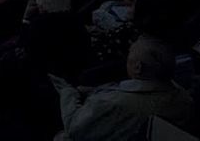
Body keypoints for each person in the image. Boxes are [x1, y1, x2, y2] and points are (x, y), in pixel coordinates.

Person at [53, 36, 192, 140]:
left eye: (129, 55)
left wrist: (67, 92)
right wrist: (95, 91)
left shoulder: (114, 103)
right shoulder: (183, 97)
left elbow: (74, 128)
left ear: (138, 67)